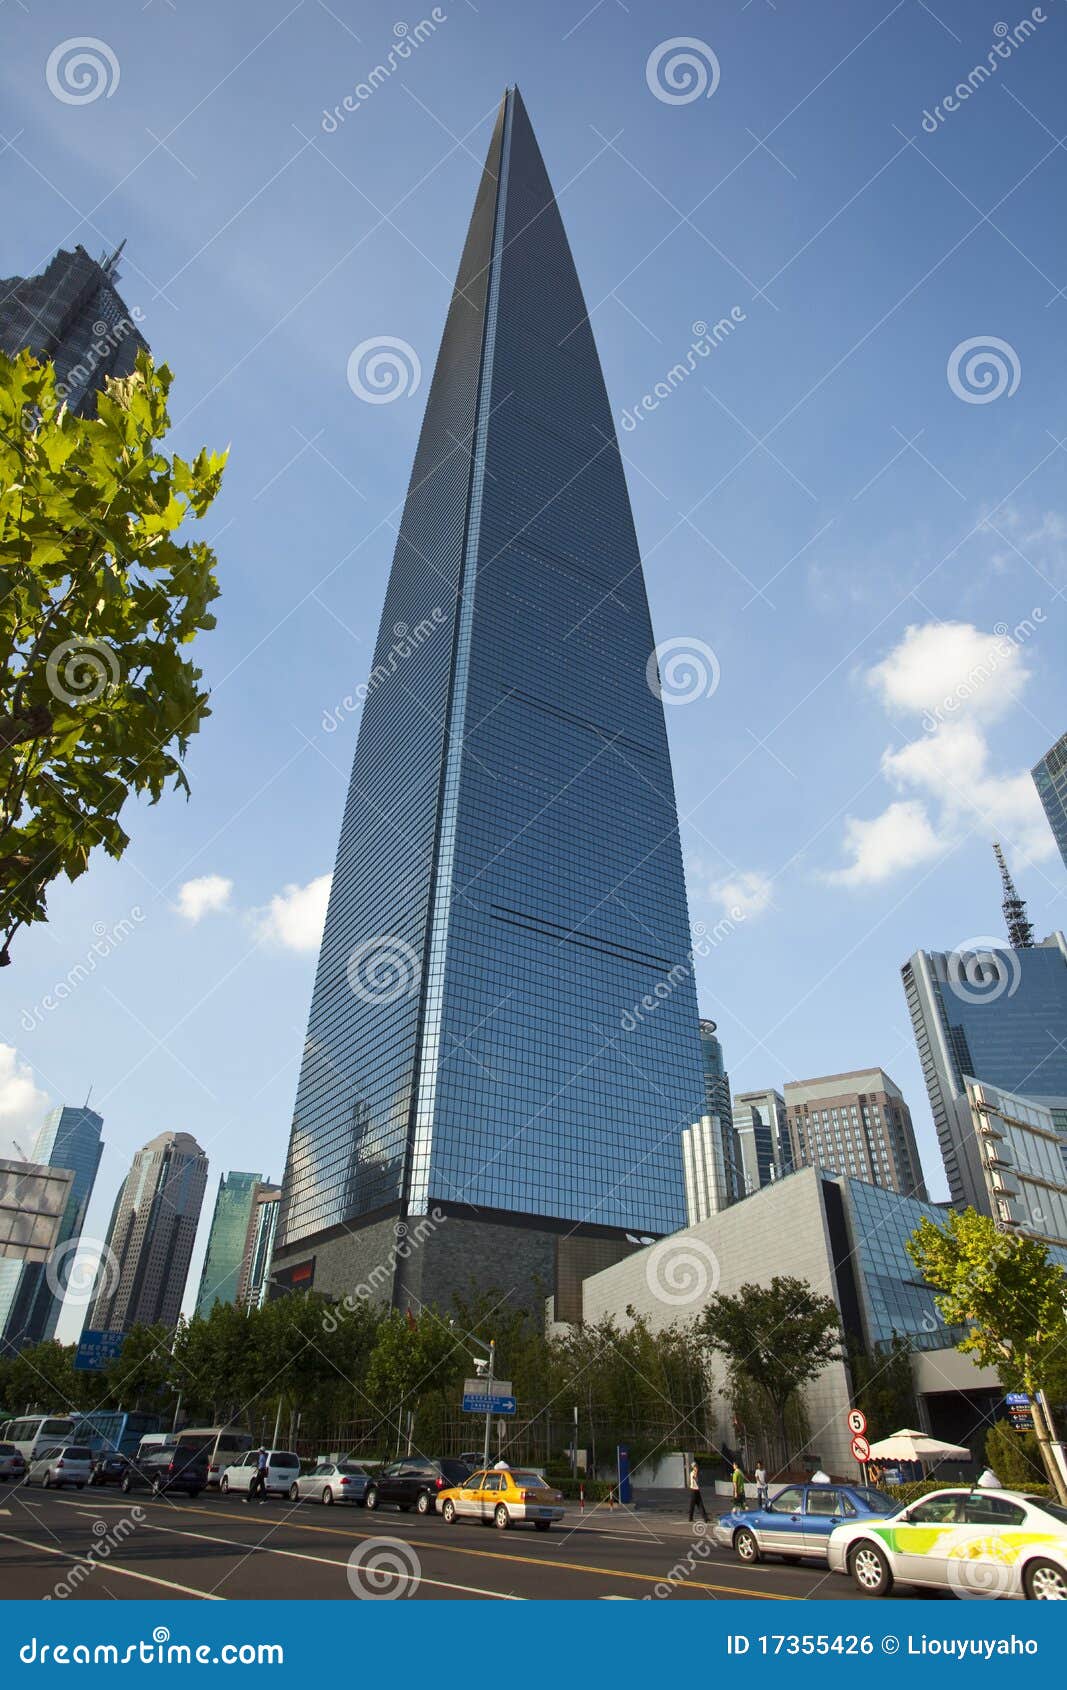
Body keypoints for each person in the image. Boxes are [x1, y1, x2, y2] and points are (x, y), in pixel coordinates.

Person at [687, 1457, 708, 1524]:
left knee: (700, 1504)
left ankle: (705, 1518)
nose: (697, 1467)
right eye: (695, 1466)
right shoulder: (692, 1473)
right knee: (692, 1505)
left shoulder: (695, 1472)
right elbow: (695, 1477)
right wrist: (696, 1471)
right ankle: (690, 1518)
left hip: (697, 1490)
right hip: (693, 1491)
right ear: (693, 1467)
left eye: (697, 1466)